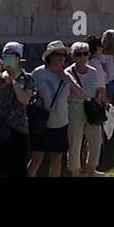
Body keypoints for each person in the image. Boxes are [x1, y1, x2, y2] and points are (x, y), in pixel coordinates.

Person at [0, 42, 36, 177]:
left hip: (19, 129)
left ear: (19, 58)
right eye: (5, 55)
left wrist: (14, 81)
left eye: (11, 55)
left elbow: (25, 100)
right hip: (1, 130)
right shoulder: (0, 78)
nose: (8, 59)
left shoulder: (27, 78)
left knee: (18, 169)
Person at [64, 41, 108, 177]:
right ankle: (75, 173)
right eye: (79, 54)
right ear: (73, 56)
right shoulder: (68, 73)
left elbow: (100, 89)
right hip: (75, 111)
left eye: (85, 54)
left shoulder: (94, 71)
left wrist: (99, 99)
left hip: (92, 111)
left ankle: (90, 171)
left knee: (96, 143)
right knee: (74, 145)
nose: (82, 57)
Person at [28, 41, 71, 178]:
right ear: (50, 56)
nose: (62, 58)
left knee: (56, 159)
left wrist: (67, 80)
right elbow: (28, 92)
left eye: (64, 54)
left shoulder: (66, 75)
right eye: (58, 54)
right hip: (41, 123)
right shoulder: (38, 73)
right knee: (37, 158)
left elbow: (81, 94)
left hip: (60, 123)